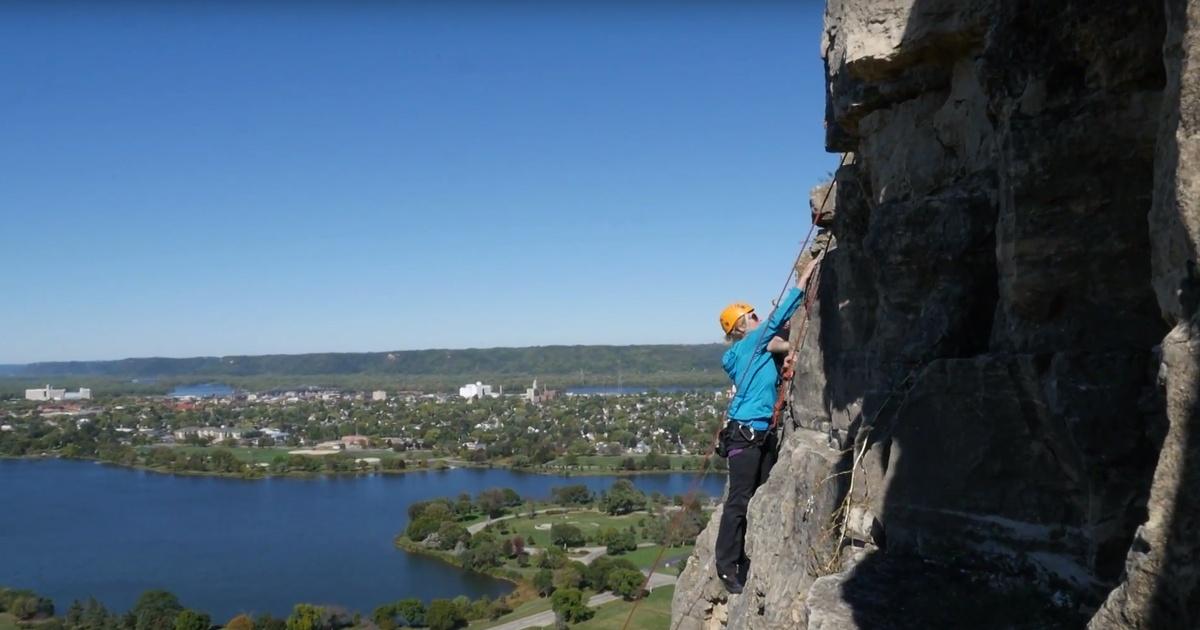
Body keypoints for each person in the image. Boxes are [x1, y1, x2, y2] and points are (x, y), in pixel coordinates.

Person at [714, 252, 823, 594]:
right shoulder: (751, 343)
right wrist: (803, 281)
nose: (759, 317)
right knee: (739, 501)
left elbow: (781, 343)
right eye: (753, 315)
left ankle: (744, 555)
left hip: (759, 434)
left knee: (758, 495)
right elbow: (779, 319)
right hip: (746, 435)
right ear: (742, 325)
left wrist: (788, 347)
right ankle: (726, 564)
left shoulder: (750, 350)